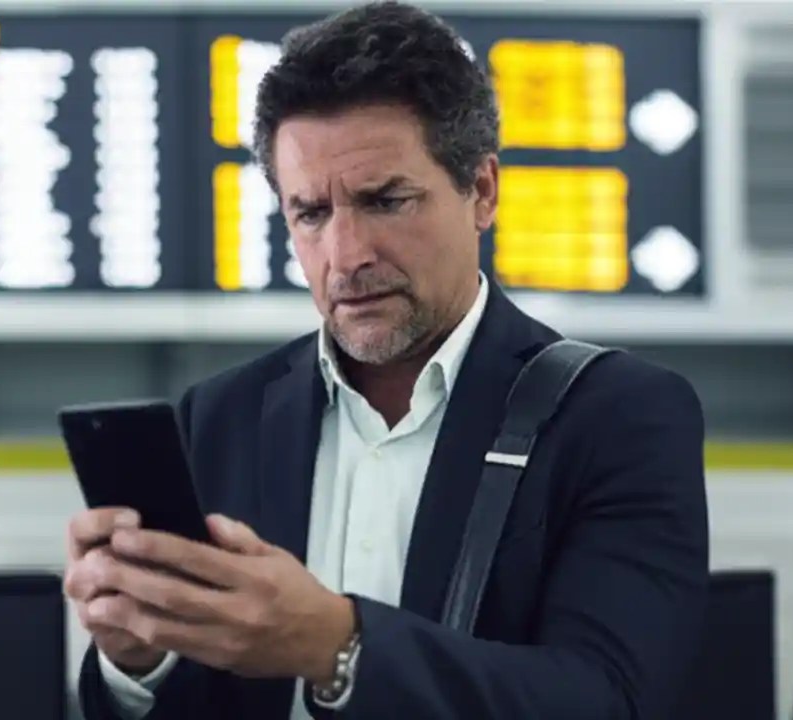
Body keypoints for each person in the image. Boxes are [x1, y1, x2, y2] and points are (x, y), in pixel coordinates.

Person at [63, 2, 709, 718]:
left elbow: (609, 701)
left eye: (386, 200)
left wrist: (337, 646)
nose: (346, 256)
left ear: (482, 191)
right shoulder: (217, 419)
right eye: (310, 213)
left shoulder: (615, 416)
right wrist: (138, 662)